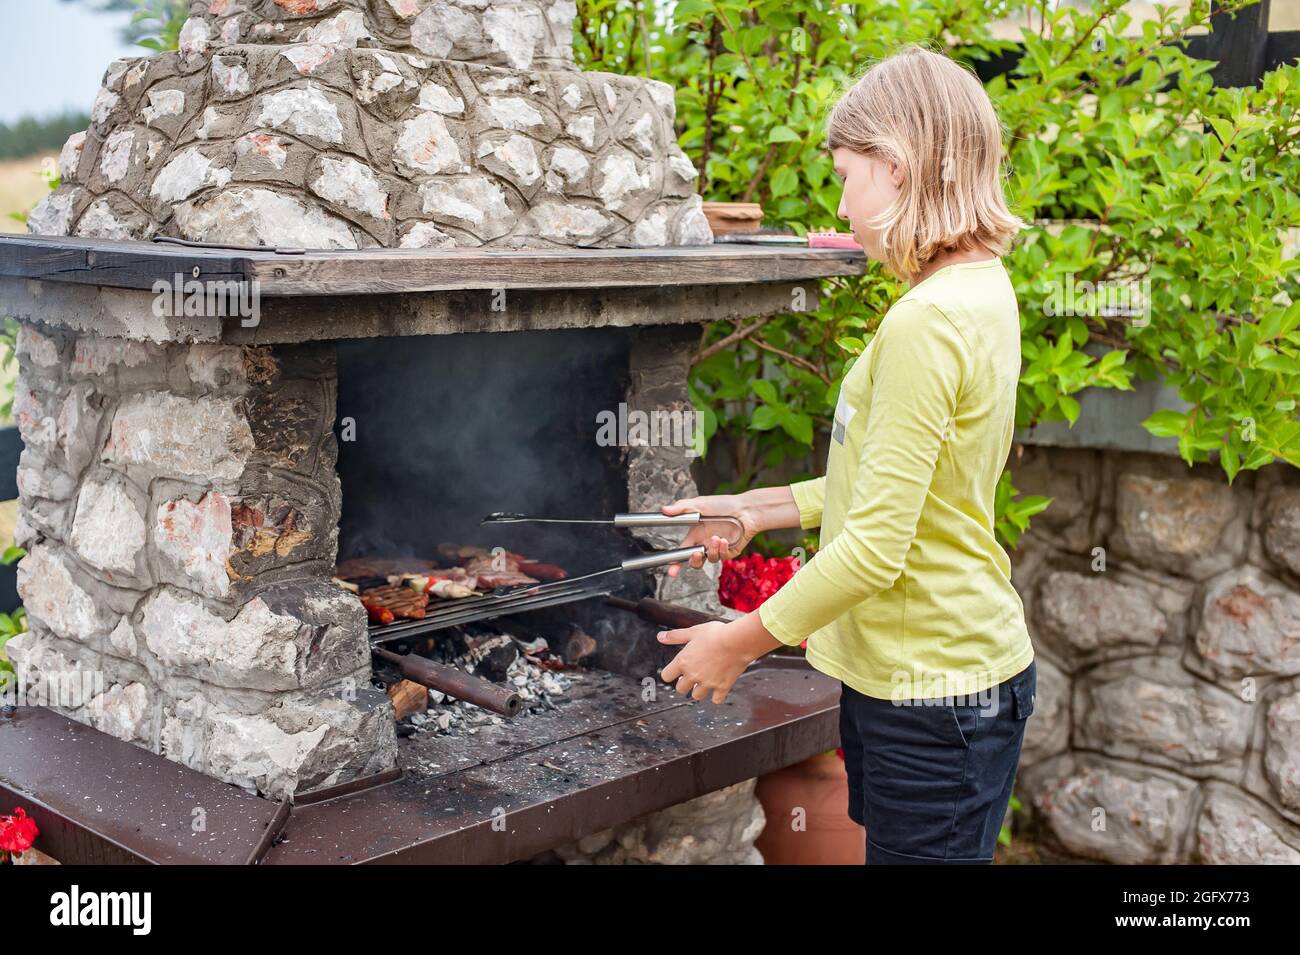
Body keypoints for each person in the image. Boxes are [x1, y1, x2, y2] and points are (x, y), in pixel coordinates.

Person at [656, 45, 1037, 865]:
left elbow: (874, 547)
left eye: (844, 175)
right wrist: (756, 508)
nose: (840, 200)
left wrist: (740, 640)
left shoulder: (925, 321)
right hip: (939, 681)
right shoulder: (980, 288)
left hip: (931, 694)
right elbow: (900, 487)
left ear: (895, 169)